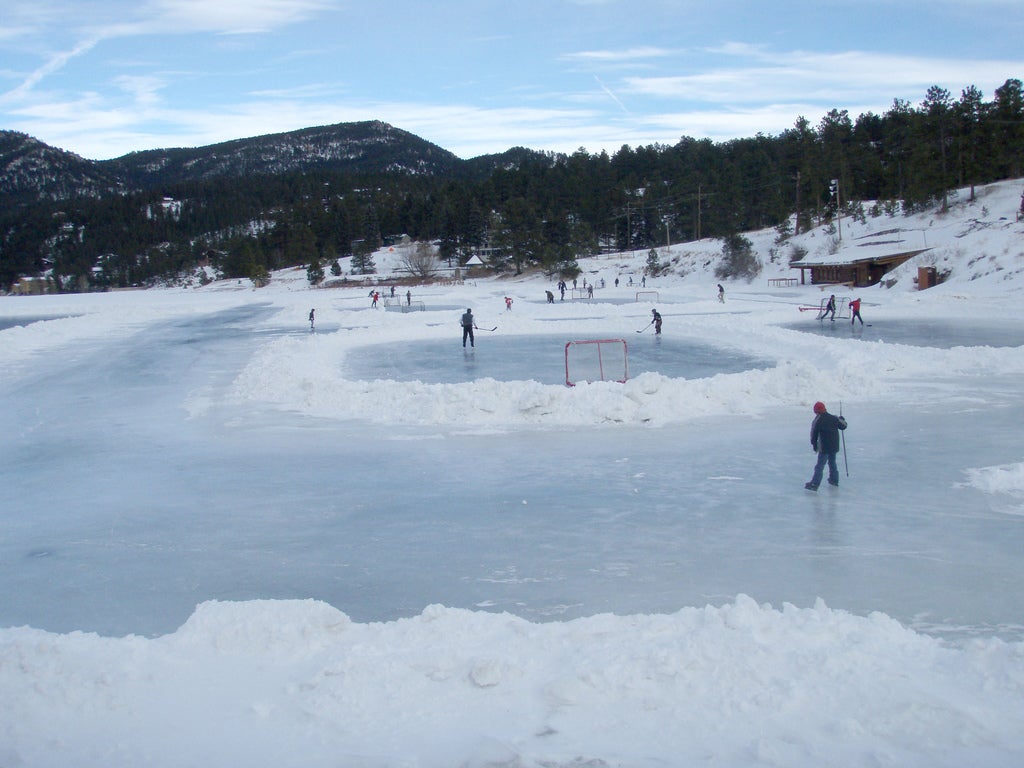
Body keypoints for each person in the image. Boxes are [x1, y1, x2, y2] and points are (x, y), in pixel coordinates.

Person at [805, 401, 847, 491]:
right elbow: (843, 426)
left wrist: (814, 445)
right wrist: (842, 419)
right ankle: (834, 480)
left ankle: (814, 484)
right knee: (832, 463)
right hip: (834, 446)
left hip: (824, 447)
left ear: (816, 411)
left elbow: (813, 434)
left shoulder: (818, 420)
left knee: (819, 466)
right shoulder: (834, 418)